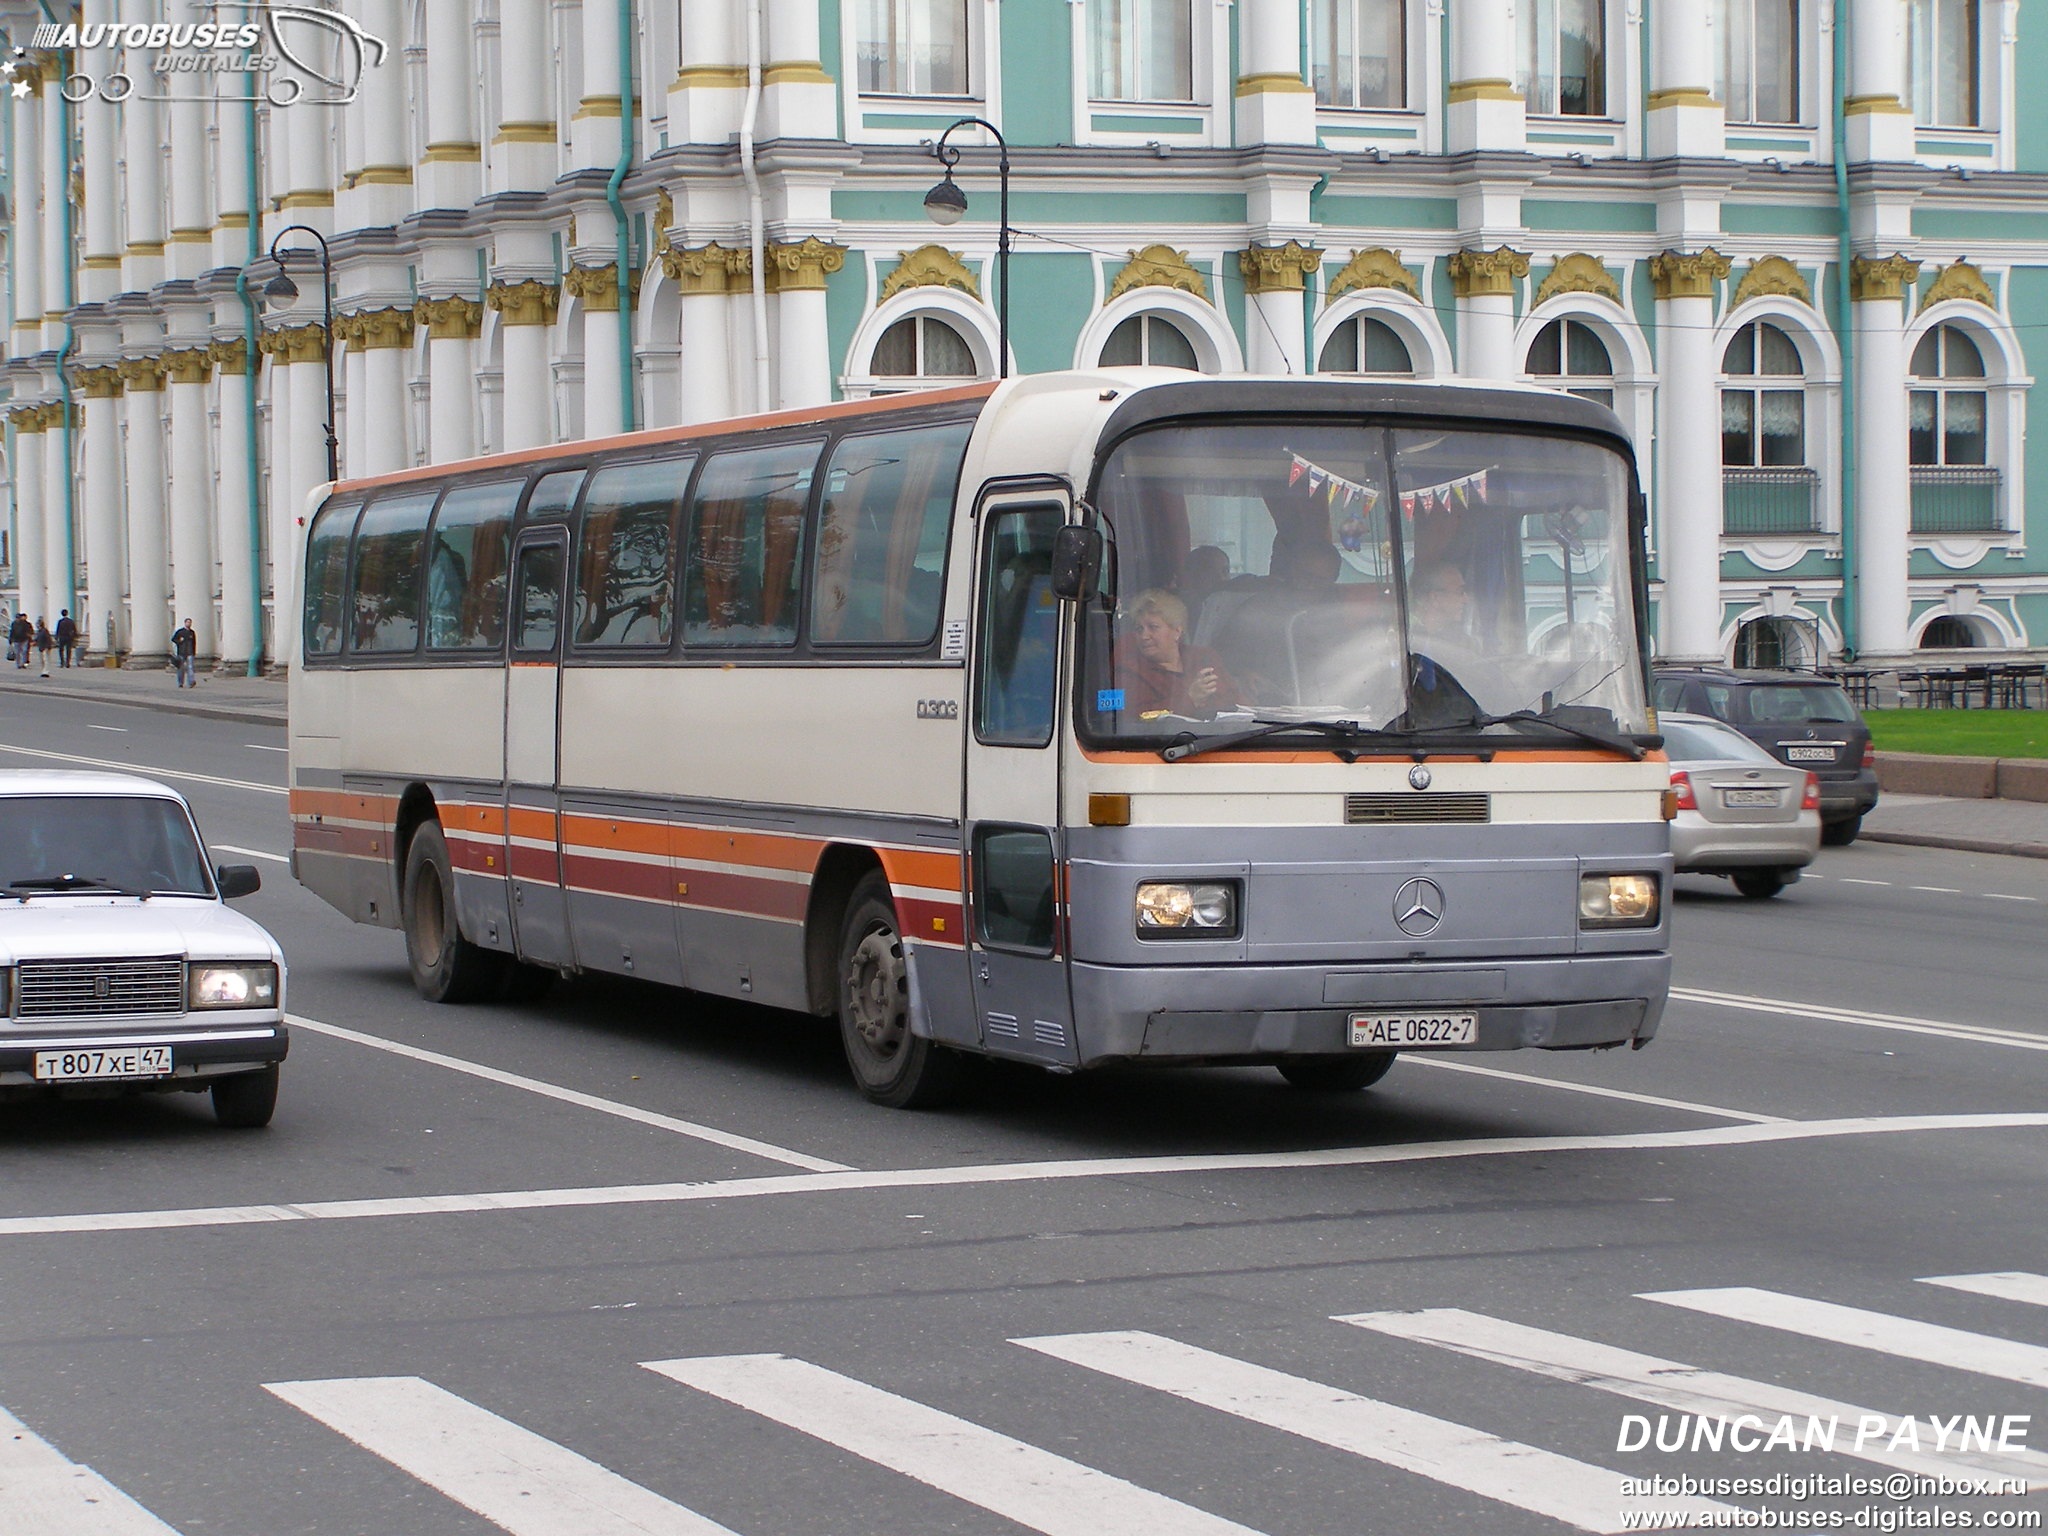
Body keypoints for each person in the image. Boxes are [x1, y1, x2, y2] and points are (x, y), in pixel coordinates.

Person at [1114, 589, 1241, 717]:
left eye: (1153, 627)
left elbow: (1236, 701)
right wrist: (1190, 699)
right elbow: (1135, 718)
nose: (1144, 636)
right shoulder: (1129, 671)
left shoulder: (1205, 657)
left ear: (1177, 631)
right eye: (1139, 629)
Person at [171, 618, 198, 689]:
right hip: (181, 653)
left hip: (190, 652)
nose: (189, 624)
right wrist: (179, 641)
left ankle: (191, 682)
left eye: (190, 623)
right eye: (188, 622)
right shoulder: (180, 632)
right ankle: (180, 683)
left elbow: (194, 643)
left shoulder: (192, 632)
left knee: (190, 668)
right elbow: (173, 639)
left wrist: (194, 652)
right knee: (181, 668)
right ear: (185, 623)